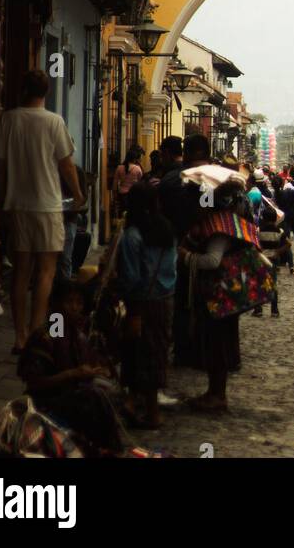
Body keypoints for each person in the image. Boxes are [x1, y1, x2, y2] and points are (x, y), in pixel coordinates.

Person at [0, 69, 84, 355]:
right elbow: (66, 164)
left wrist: (1, 199)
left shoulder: (8, 119)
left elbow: (0, 165)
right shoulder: (54, 122)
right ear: (46, 92)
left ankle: (19, 337)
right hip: (47, 205)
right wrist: (78, 192)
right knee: (46, 271)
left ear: (23, 89)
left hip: (18, 204)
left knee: (21, 272)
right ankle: (36, 333)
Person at [176, 175, 274, 413]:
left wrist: (186, 256)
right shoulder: (227, 220)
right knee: (219, 342)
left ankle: (217, 395)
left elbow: (212, 261)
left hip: (221, 295)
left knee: (216, 343)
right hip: (227, 295)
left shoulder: (219, 226)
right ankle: (214, 392)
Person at [18, 277, 123, 455]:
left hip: (71, 393)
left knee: (107, 391)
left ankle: (104, 448)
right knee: (93, 397)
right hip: (46, 402)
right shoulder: (47, 335)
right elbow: (35, 383)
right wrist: (72, 374)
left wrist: (94, 371)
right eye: (69, 302)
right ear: (58, 304)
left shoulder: (77, 333)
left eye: (79, 303)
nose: (74, 307)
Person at [116, 181, 177, 430]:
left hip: (141, 303)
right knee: (156, 352)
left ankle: (151, 413)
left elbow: (131, 277)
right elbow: (172, 268)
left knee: (139, 352)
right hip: (165, 300)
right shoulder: (167, 231)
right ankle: (135, 404)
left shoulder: (133, 236)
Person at [112, 144, 144, 220]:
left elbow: (115, 183)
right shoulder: (137, 169)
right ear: (134, 159)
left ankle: (121, 228)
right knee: (132, 213)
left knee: (122, 214)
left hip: (122, 194)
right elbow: (141, 183)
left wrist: (115, 195)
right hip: (133, 194)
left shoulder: (119, 167)